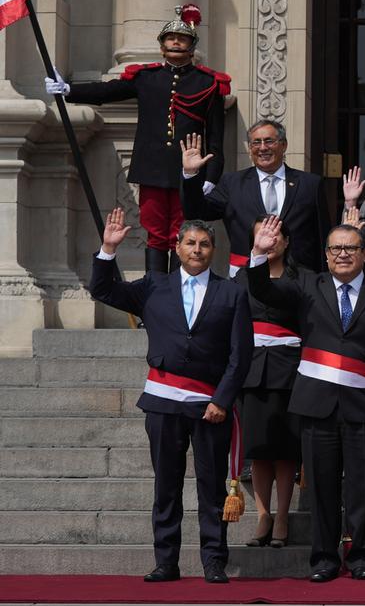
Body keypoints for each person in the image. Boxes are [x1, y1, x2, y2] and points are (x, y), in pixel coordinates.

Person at [88, 209, 252, 584]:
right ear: (177, 247)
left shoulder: (232, 292)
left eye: (205, 244)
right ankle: (166, 562)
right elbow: (103, 290)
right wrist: (108, 250)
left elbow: (241, 355)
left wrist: (223, 400)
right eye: (191, 243)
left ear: (214, 250)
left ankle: (214, 561)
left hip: (209, 405)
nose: (197, 250)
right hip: (162, 402)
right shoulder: (153, 285)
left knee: (211, 488)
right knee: (167, 485)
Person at [246, 220, 365, 582]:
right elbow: (264, 293)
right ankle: (324, 559)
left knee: (362, 487)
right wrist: (258, 253)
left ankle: (362, 556)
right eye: (336, 248)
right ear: (326, 254)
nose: (343, 255)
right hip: (316, 403)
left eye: (351, 248)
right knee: (321, 485)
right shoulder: (308, 285)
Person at [49, 5, 230, 274]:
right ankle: (155, 297)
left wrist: (211, 177)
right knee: (156, 235)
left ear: (192, 47)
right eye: (170, 38)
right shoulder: (147, 77)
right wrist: (68, 90)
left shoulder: (209, 84)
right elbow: (108, 91)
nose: (176, 42)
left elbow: (215, 138)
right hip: (153, 169)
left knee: (184, 235)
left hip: (190, 174)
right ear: (162, 46)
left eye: (182, 39)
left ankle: (179, 298)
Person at [234, 214, 306, 549]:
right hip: (251, 370)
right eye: (263, 233)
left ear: (287, 241)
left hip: (288, 369)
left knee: (285, 448)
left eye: (277, 233)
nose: (270, 239)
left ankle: (281, 516)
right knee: (259, 449)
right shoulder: (240, 279)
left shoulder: (302, 278)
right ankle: (263, 515)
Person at [181, 121, 330, 274]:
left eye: (269, 141)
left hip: (298, 277)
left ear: (284, 145)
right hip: (247, 275)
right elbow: (195, 212)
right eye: (256, 142)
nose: (263, 147)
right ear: (250, 149)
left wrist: (325, 280)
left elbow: (322, 236)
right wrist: (191, 174)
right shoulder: (232, 183)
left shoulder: (310, 184)